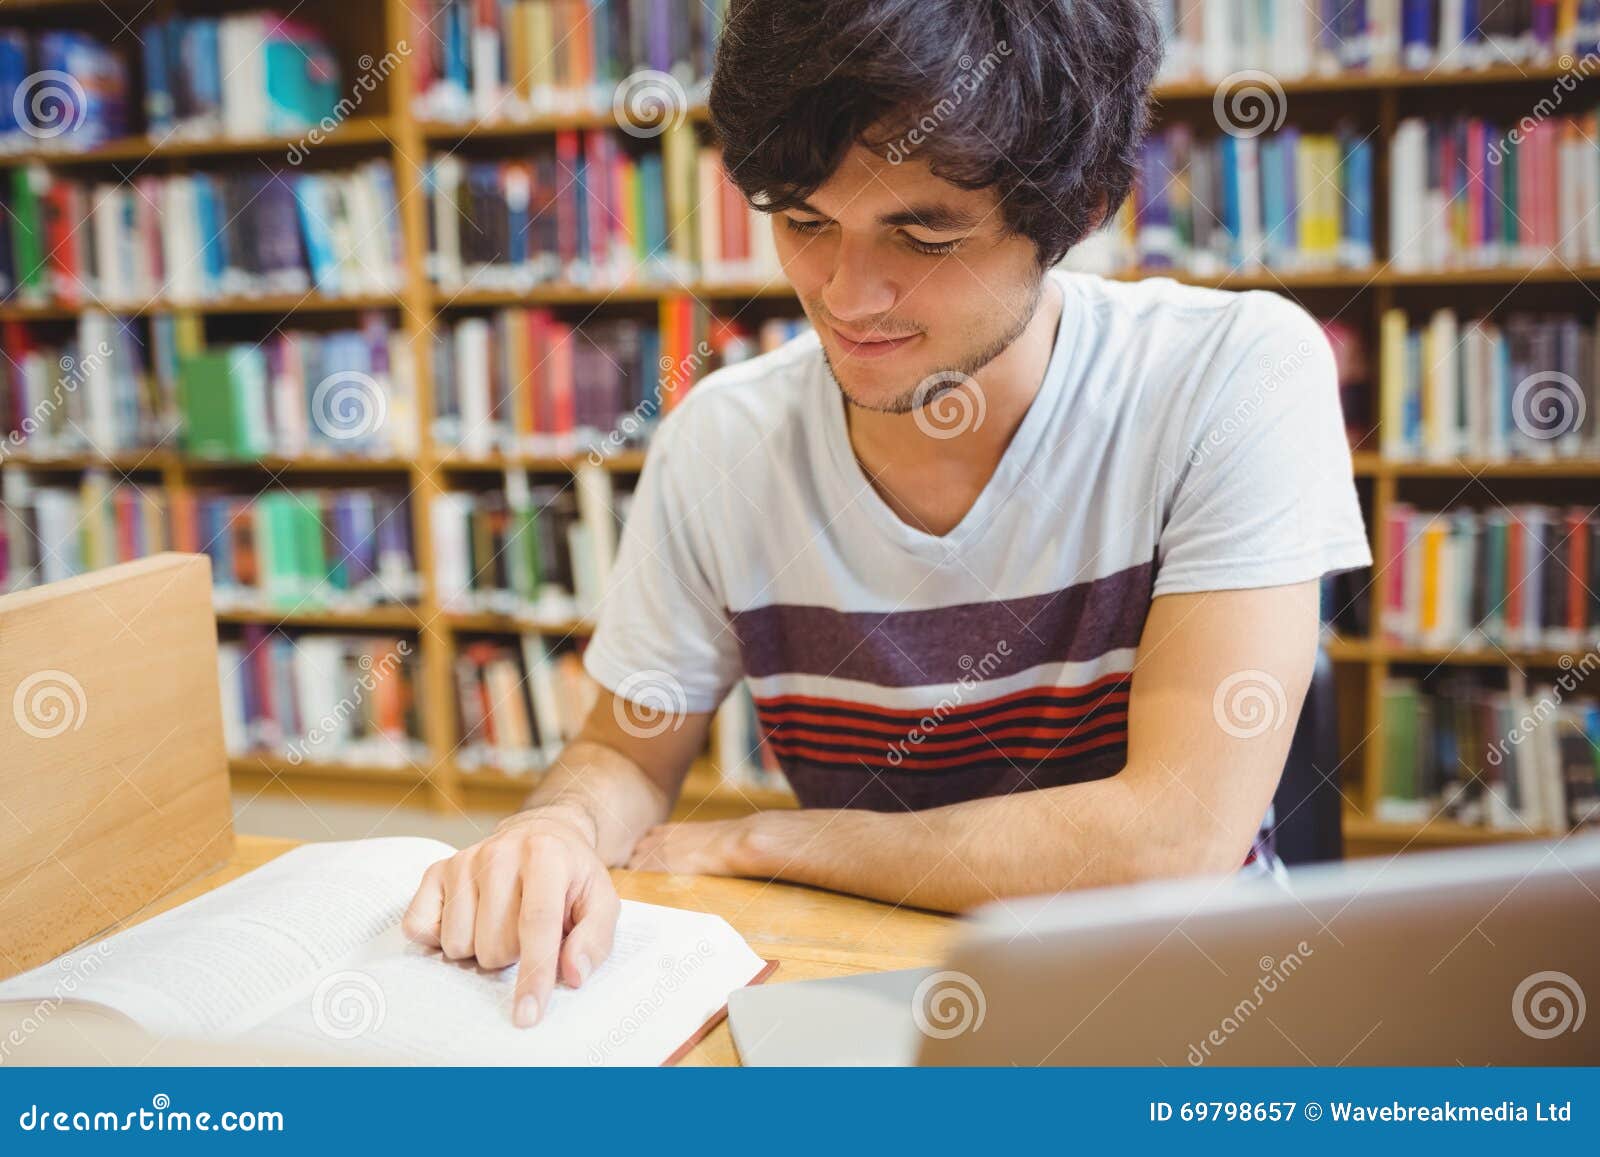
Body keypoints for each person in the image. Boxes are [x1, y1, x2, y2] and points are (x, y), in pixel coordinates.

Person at [402, 0, 1371, 1029]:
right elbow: (629, 752)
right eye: (804, 223)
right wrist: (558, 826)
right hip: (866, 978)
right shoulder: (722, 440)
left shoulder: (1233, 375)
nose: (847, 295)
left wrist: (763, 840)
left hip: (1190, 1003)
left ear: (1079, 207)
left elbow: (1172, 840)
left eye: (922, 232)